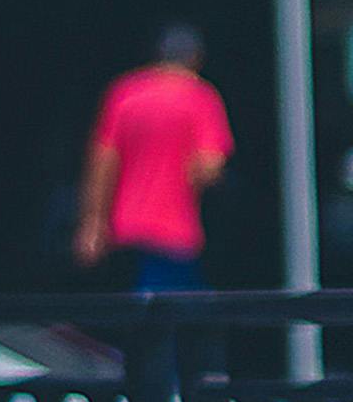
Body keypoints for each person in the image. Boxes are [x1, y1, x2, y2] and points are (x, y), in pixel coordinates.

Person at [73, 23, 233, 292]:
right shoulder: (200, 97)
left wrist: (92, 223)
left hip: (124, 229)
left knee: (130, 306)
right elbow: (209, 166)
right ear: (196, 58)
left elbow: (102, 162)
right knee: (182, 307)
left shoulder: (125, 93)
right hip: (174, 232)